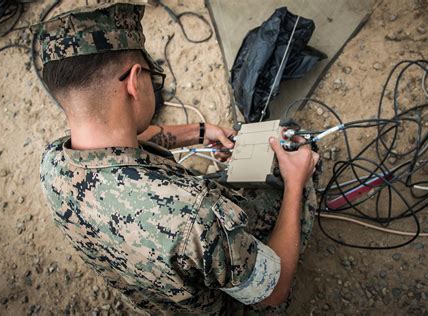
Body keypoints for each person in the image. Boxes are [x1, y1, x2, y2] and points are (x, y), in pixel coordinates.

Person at [37, 3, 319, 315]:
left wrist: (200, 132)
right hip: (229, 302)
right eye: (151, 77)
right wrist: (295, 184)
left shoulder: (53, 162)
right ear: (133, 82)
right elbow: (273, 292)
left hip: (163, 295)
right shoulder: (198, 217)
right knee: (293, 175)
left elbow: (126, 139)